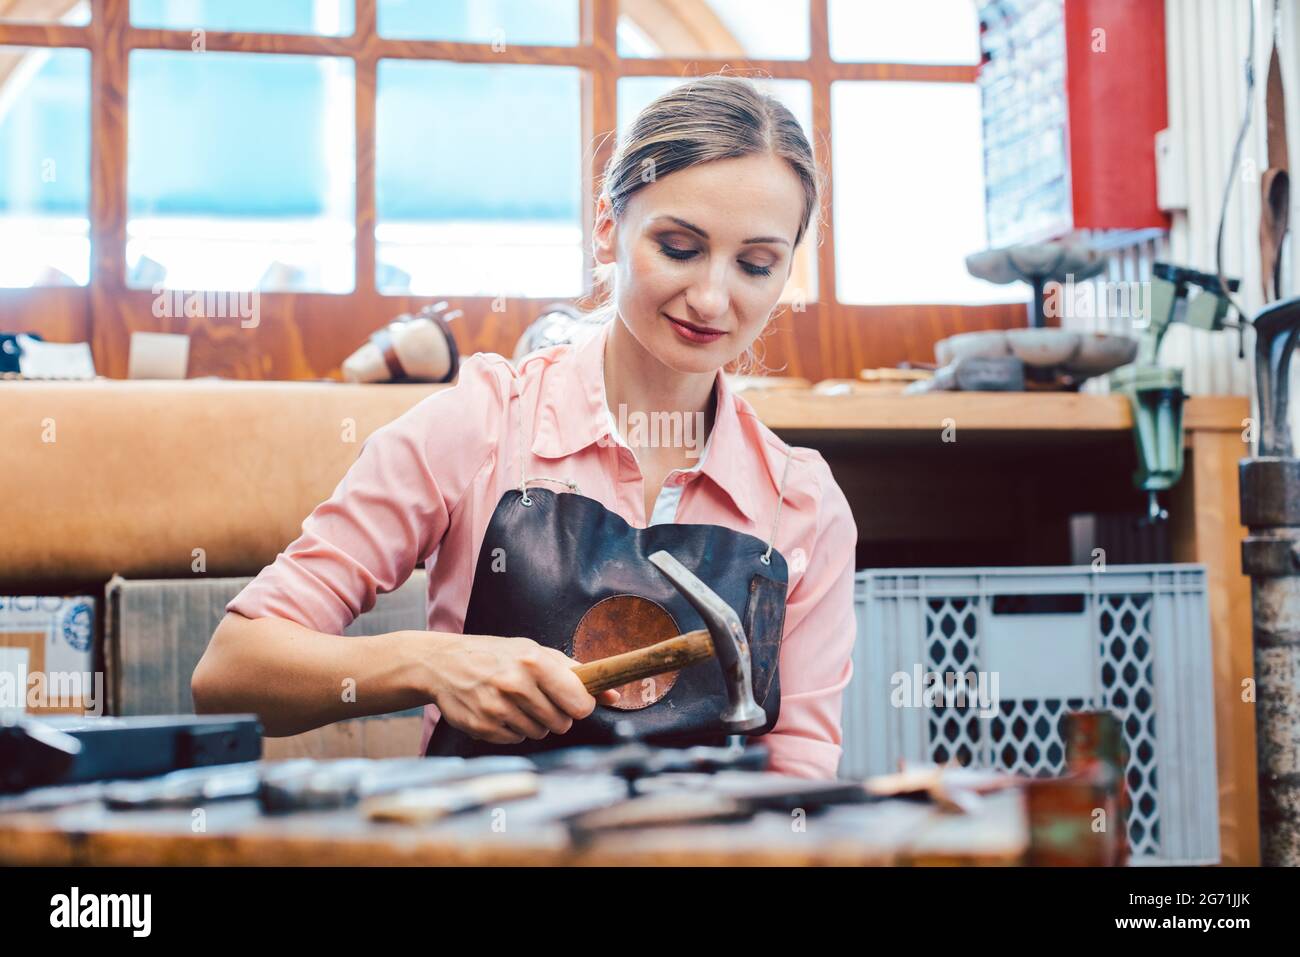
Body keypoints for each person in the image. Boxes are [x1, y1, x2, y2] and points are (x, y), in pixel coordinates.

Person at [193, 74, 858, 779]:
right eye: (680, 247)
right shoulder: (482, 423)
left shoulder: (802, 504)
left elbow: (800, 774)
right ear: (608, 228)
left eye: (756, 264)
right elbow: (232, 671)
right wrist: (435, 663)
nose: (713, 296)